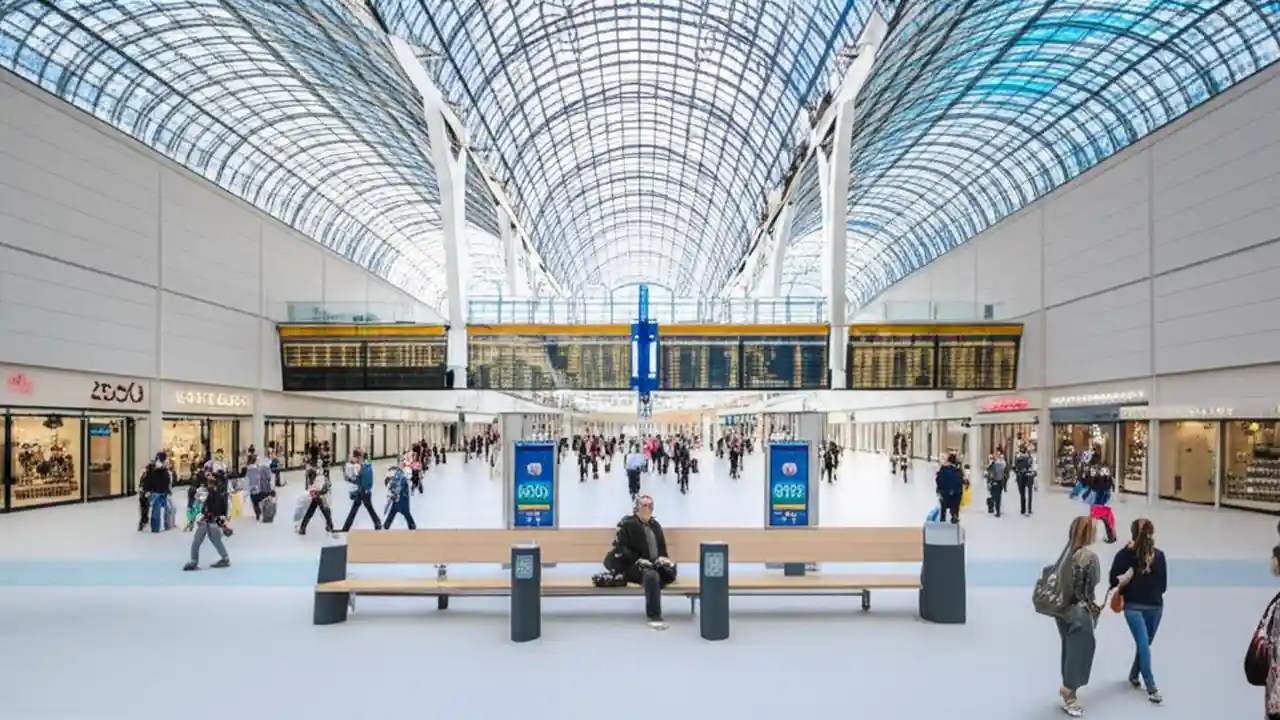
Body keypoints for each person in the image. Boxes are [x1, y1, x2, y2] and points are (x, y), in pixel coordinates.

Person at [1108, 518, 1166, 705]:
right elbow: (1163, 586)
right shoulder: (1160, 555)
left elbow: (1112, 581)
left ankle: (1134, 675)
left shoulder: (1124, 555)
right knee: (1144, 644)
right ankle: (1151, 686)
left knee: (1144, 645)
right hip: (1155, 606)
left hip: (1133, 605)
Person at [605, 495, 675, 629]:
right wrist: (638, 559)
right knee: (652, 577)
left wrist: (663, 559)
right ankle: (655, 615)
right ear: (636, 508)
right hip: (633, 566)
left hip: (653, 564)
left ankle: (656, 578)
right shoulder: (627, 524)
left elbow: (662, 550)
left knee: (669, 571)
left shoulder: (655, 526)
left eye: (650, 506)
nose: (648, 508)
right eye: (644, 505)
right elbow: (622, 547)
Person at [1055, 516, 1102, 717]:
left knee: (1069, 647)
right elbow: (1092, 584)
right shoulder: (1089, 558)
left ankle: (1068, 686)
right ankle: (1070, 693)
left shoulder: (1065, 554)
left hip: (1062, 610)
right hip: (1079, 611)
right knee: (1081, 651)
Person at [183, 476, 231, 571]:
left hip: (204, 520)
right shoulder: (220, 493)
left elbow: (197, 506)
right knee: (216, 540)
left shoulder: (203, 492)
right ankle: (225, 558)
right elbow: (223, 508)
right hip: (214, 520)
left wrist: (191, 520)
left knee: (197, 541)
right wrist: (222, 522)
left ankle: (194, 561)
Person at [340, 449, 382, 532]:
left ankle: (377, 523)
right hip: (362, 491)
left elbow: (364, 480)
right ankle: (346, 528)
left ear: (359, 457)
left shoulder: (362, 467)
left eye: (355, 457)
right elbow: (359, 480)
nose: (354, 460)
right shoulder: (365, 465)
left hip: (364, 491)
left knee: (365, 508)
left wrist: (365, 489)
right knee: (357, 509)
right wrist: (349, 479)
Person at [143, 452, 173, 533]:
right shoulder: (153, 468)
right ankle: (156, 529)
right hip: (156, 491)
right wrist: (147, 490)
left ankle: (168, 526)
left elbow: (166, 479)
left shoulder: (164, 468)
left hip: (163, 491)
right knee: (157, 510)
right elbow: (149, 479)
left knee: (170, 509)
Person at [383, 463, 416, 530]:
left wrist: (393, 493)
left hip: (402, 500)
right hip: (400, 500)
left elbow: (398, 488)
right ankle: (386, 525)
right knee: (394, 512)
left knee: (404, 513)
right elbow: (394, 487)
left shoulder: (402, 479)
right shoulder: (399, 476)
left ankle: (412, 525)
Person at [934, 454, 964, 524]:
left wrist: (939, 490)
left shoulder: (942, 469)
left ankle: (943, 520)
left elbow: (938, 480)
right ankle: (954, 517)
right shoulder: (957, 471)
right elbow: (959, 481)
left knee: (943, 507)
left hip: (944, 492)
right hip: (955, 492)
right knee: (955, 507)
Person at [1013, 445, 1036, 515]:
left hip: (1020, 476)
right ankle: (1029, 509)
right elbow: (1032, 467)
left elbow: (1015, 467)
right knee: (1030, 493)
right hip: (1029, 476)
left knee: (1022, 493)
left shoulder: (1017, 457)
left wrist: (1017, 472)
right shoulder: (1030, 458)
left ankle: (1023, 509)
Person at [985, 451, 1008, 517]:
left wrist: (989, 482)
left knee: (994, 496)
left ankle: (992, 506)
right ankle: (997, 510)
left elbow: (989, 474)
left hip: (994, 482)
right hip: (999, 482)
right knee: (998, 497)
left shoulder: (992, 465)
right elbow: (1004, 473)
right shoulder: (1001, 464)